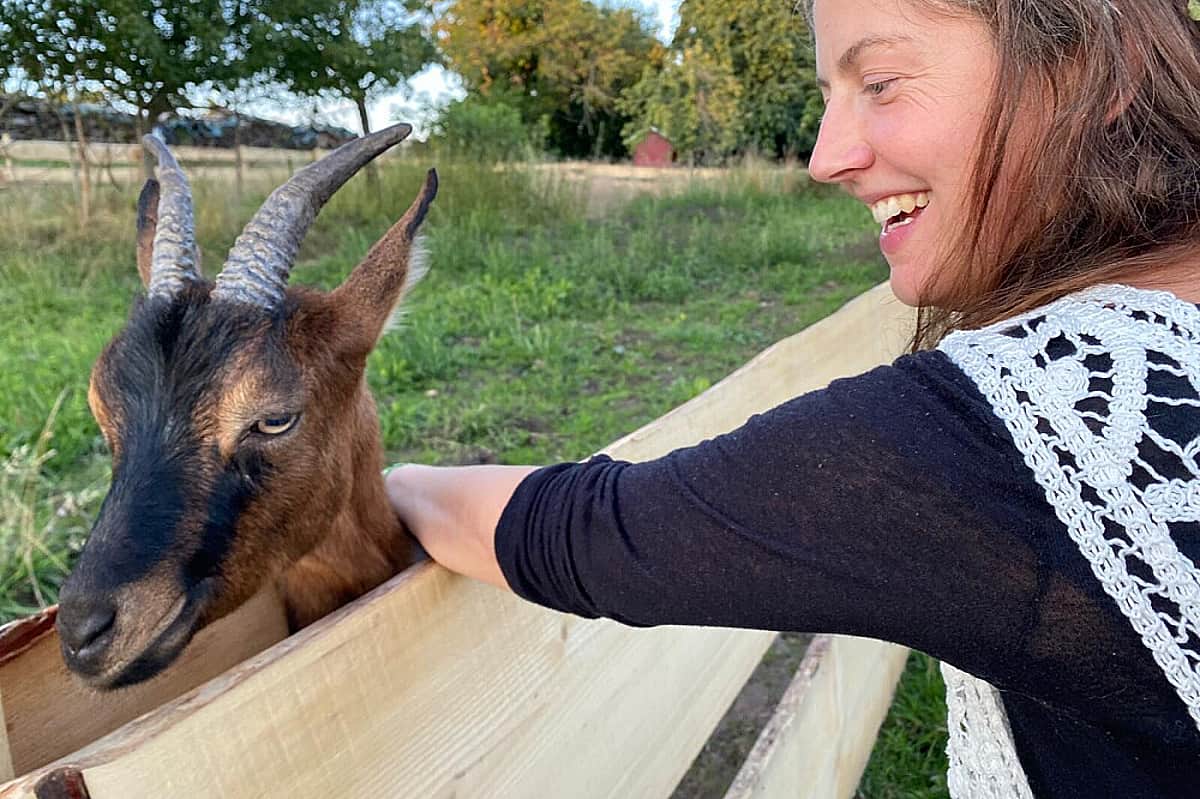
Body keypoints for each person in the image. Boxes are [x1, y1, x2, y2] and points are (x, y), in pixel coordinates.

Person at [385, 1, 1200, 796]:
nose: (824, 158)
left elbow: (592, 534)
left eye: (878, 80)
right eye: (825, 97)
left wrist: (390, 483)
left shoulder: (1021, 427)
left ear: (1093, 67)